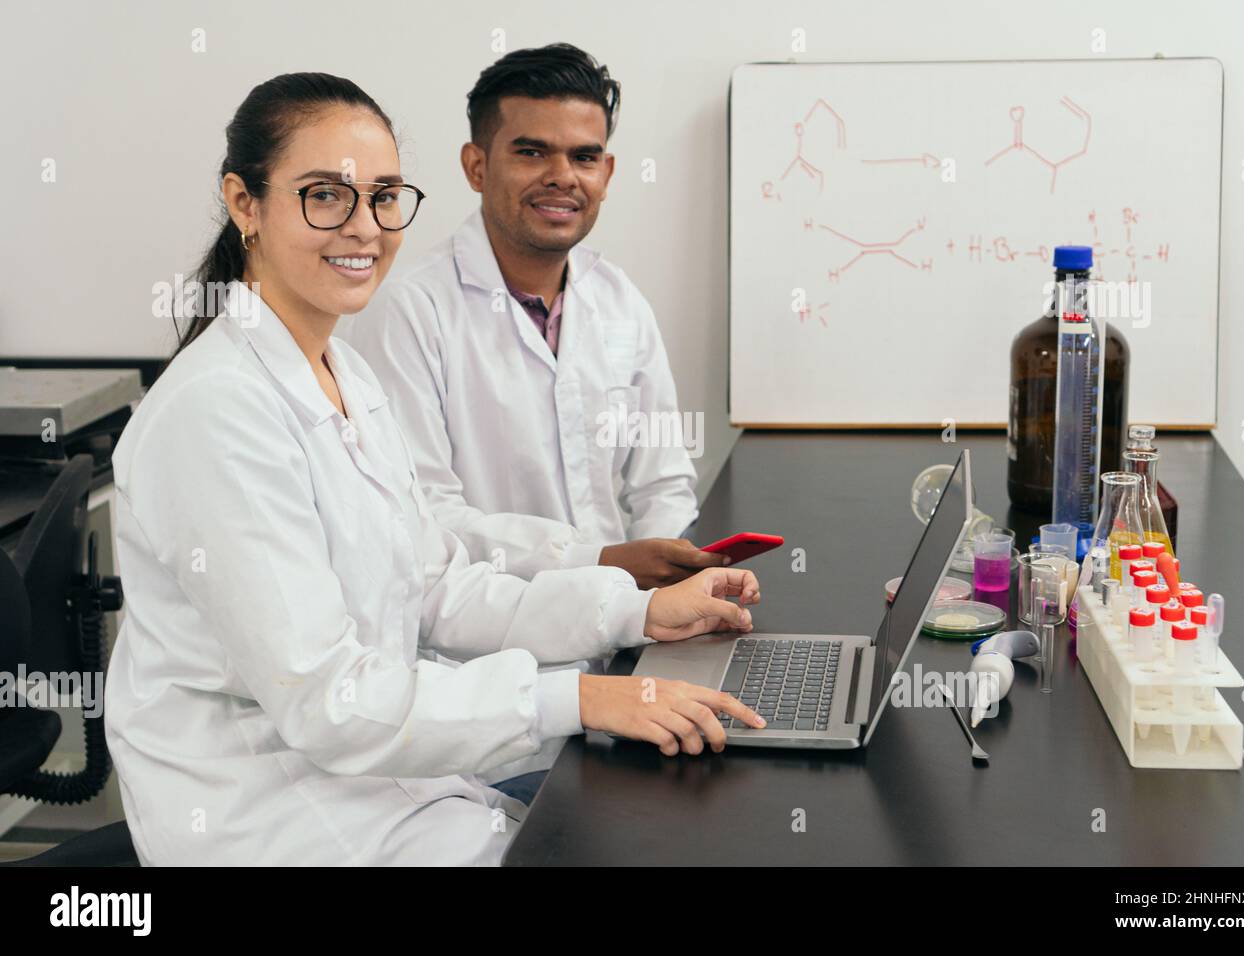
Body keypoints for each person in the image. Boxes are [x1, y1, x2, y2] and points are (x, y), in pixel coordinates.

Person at [104, 72, 764, 867]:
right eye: (325, 195)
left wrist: (635, 615)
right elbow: (328, 702)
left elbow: (438, 583)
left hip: (390, 787)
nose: (365, 227)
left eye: (383, 197)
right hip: (276, 821)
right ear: (245, 202)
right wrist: (581, 695)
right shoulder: (214, 413)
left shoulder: (344, 372)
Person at [342, 44, 720, 596]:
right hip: (481, 657)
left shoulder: (620, 302)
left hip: (626, 626)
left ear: (607, 172)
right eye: (532, 153)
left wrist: (666, 582)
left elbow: (663, 480)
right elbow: (425, 516)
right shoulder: (408, 310)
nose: (563, 177)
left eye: (585, 157)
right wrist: (600, 562)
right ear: (476, 166)